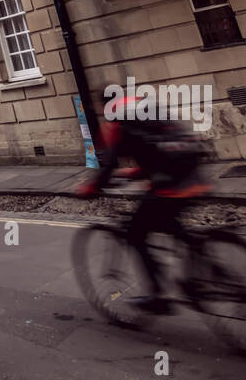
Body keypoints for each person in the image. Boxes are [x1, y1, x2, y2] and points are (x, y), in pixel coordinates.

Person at [76, 90, 210, 313]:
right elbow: (160, 146)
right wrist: (136, 172)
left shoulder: (117, 121)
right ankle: (198, 272)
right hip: (194, 171)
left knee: (136, 233)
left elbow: (108, 166)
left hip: (171, 185)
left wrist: (90, 187)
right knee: (169, 221)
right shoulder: (145, 105)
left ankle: (159, 295)